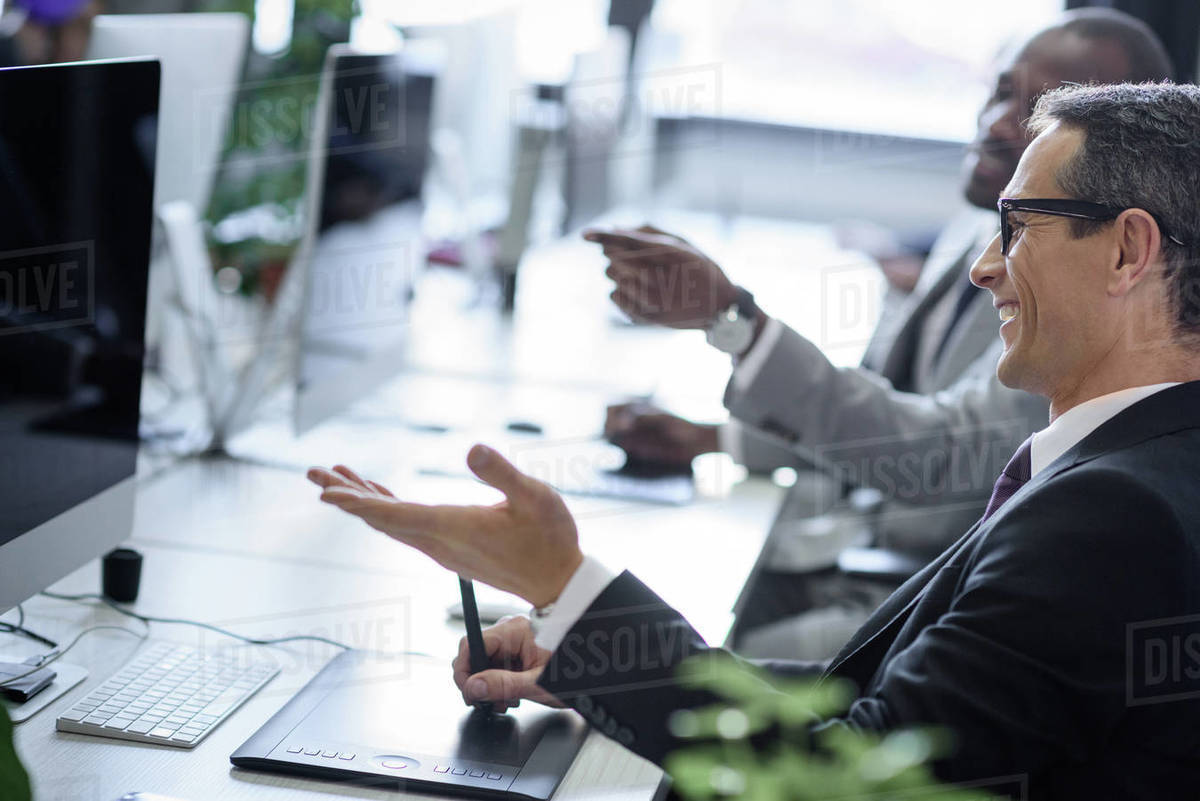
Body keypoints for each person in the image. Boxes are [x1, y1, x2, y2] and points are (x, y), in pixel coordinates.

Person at [310, 81, 1200, 798]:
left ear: (1127, 251)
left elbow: (838, 782)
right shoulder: (1140, 461)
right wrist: (586, 662)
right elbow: (882, 707)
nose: (983, 266)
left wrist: (567, 584)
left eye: (1019, 228)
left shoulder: (1111, 513)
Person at [591, 8, 1174, 658]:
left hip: (895, 593)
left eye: (1039, 108)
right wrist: (716, 438)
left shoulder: (1075, 307)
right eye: (1002, 91)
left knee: (638, 650)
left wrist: (734, 321)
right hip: (841, 544)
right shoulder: (975, 225)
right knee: (629, 591)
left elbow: (936, 451)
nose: (998, 122)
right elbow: (878, 403)